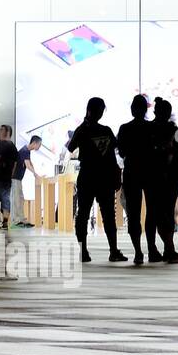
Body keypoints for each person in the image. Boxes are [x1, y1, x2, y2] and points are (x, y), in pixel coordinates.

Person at [65, 98, 126, 263]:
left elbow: (70, 147)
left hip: (86, 175)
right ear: (98, 111)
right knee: (108, 215)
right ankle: (113, 251)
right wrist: (116, 175)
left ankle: (83, 251)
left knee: (82, 214)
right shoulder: (105, 130)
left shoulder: (81, 130)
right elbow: (112, 154)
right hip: (104, 177)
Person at [116, 95, 157, 264]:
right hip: (150, 171)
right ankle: (152, 249)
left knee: (133, 213)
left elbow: (122, 152)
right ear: (146, 109)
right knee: (152, 212)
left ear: (132, 110)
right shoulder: (152, 128)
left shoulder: (125, 128)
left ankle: (138, 252)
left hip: (132, 172)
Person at [146, 98, 178, 263]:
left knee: (152, 213)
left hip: (151, 175)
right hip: (169, 177)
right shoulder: (173, 129)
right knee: (167, 213)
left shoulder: (149, 129)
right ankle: (169, 249)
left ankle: (152, 250)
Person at [11, 135, 41, 227]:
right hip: (15, 178)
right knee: (17, 199)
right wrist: (35, 174)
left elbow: (30, 163)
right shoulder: (25, 151)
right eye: (39, 145)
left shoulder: (26, 150)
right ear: (34, 143)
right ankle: (16, 220)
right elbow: (28, 165)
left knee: (20, 198)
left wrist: (36, 173)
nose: (39, 147)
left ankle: (21, 219)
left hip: (18, 178)